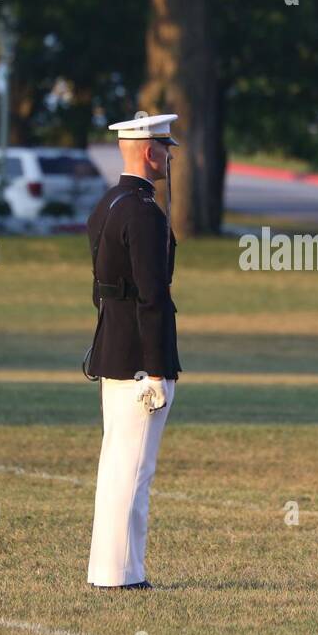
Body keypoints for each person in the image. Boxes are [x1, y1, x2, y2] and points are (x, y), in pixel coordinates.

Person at [84, 113, 182, 590]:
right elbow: (152, 296)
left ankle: (108, 569)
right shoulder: (143, 211)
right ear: (150, 152)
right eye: (165, 147)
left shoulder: (108, 203)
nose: (169, 156)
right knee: (133, 470)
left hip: (113, 349)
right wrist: (158, 368)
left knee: (117, 464)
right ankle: (122, 574)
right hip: (139, 360)